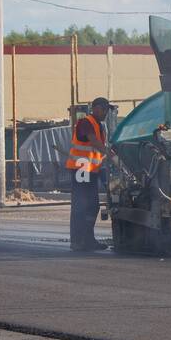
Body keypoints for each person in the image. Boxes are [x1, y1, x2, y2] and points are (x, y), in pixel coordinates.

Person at [66, 97, 113, 252]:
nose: (106, 113)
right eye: (104, 109)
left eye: (107, 110)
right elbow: (93, 142)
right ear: (96, 108)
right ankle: (78, 241)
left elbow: (96, 149)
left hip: (91, 170)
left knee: (92, 206)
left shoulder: (99, 125)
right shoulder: (86, 122)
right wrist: (110, 153)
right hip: (81, 168)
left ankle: (88, 239)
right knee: (81, 205)